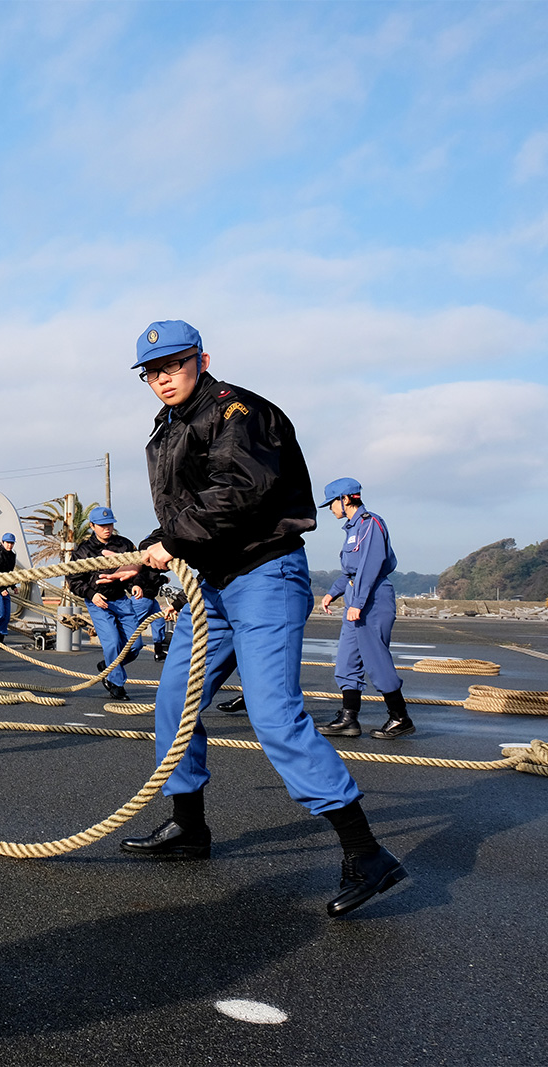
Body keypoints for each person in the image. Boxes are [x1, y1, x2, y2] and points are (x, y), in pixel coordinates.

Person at [110, 319, 404, 918]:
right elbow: (186, 512)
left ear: (202, 359)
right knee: (173, 702)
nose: (162, 377)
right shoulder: (168, 428)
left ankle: (366, 854)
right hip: (211, 585)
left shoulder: (240, 413)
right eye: (151, 370)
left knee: (273, 714)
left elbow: (241, 491)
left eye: (173, 364)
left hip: (264, 576)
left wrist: (170, 540)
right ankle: (190, 828)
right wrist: (143, 559)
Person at [319, 477, 414, 739]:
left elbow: (371, 566)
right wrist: (332, 594)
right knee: (347, 660)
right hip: (355, 596)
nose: (330, 509)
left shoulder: (369, 524)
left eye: (331, 503)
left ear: (346, 499)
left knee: (375, 659)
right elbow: (351, 571)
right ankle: (349, 718)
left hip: (373, 599)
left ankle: (400, 717)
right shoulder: (352, 528)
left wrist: (357, 604)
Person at [67, 506, 157, 702]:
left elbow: (136, 568)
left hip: (122, 601)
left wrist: (137, 584)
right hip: (99, 602)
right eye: (102, 525)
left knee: (135, 646)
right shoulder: (83, 552)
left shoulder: (125, 545)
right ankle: (116, 684)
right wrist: (92, 595)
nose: (107, 528)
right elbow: (74, 581)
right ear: (92, 526)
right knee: (113, 644)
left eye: (110, 524)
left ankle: (108, 666)